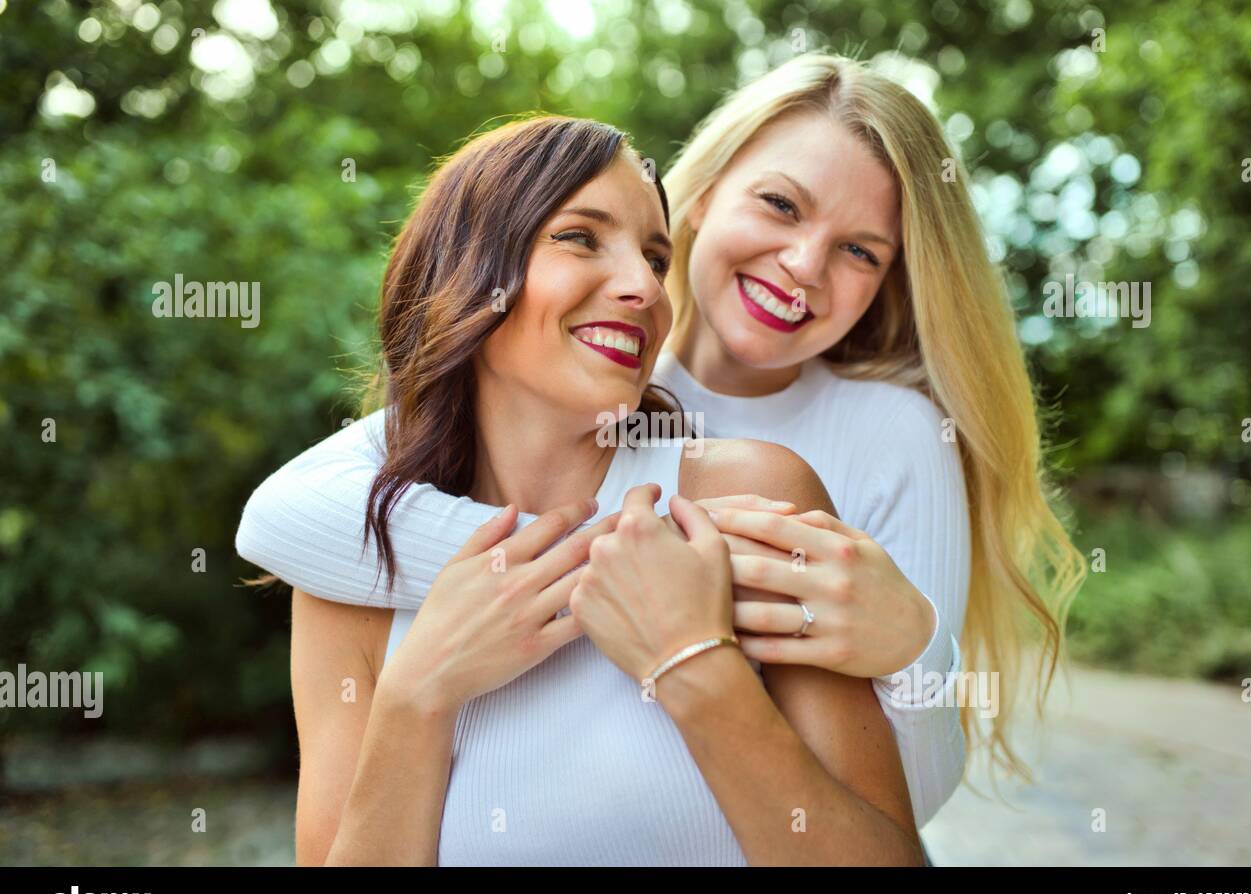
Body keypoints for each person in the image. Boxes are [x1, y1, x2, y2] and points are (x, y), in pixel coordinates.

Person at [238, 53, 1085, 836]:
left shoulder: (874, 435)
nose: (802, 263)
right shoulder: (583, 357)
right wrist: (575, 574)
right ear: (705, 195)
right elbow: (279, 514)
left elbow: (902, 806)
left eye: (859, 251)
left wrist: (912, 654)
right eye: (781, 205)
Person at [270, 114, 922, 865]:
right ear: (467, 269)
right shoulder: (352, 566)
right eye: (581, 237)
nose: (644, 287)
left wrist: (695, 669)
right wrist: (419, 694)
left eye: (655, 256)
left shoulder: (746, 494)